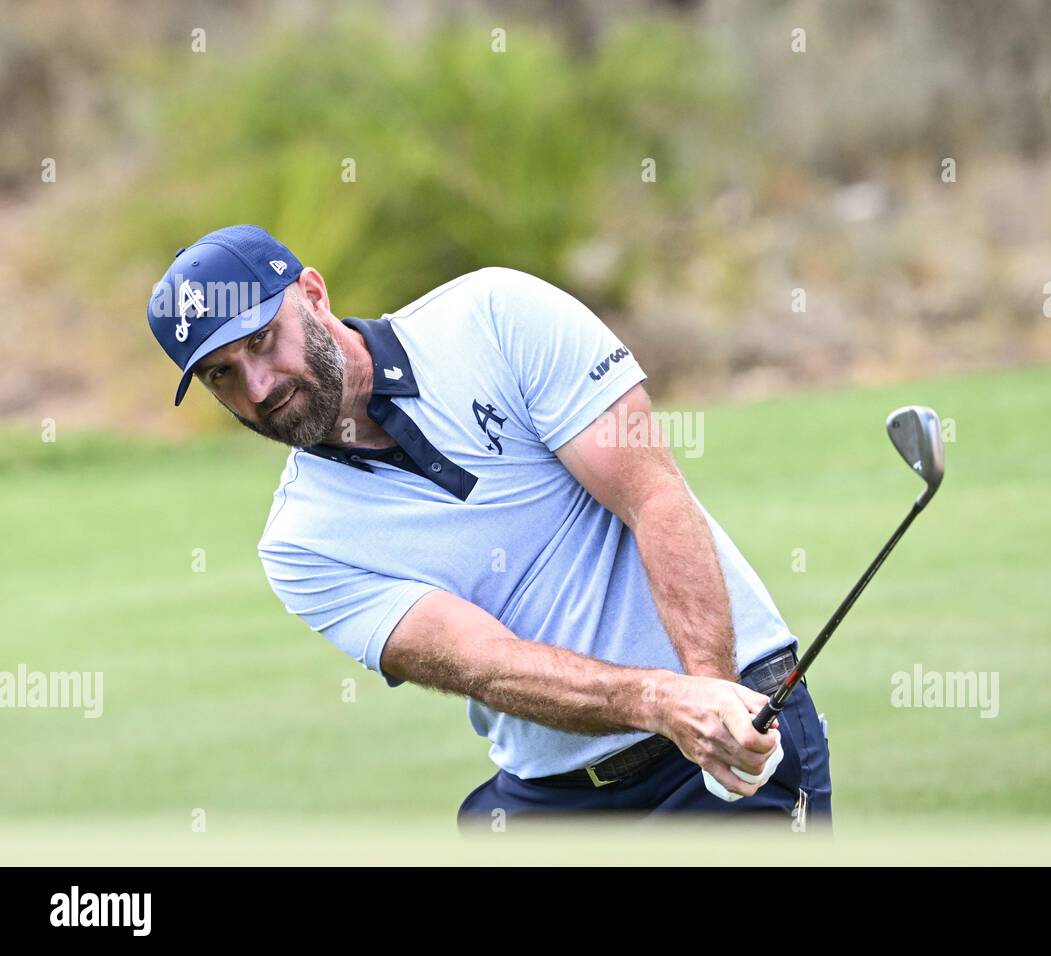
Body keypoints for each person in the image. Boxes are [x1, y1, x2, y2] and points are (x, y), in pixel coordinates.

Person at [146, 224, 832, 831]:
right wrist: (665, 701)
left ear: (313, 295)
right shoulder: (302, 544)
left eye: (263, 341)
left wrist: (713, 702)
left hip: (742, 728)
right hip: (562, 795)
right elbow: (486, 664)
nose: (259, 388)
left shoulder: (494, 315)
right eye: (220, 375)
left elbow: (651, 496)